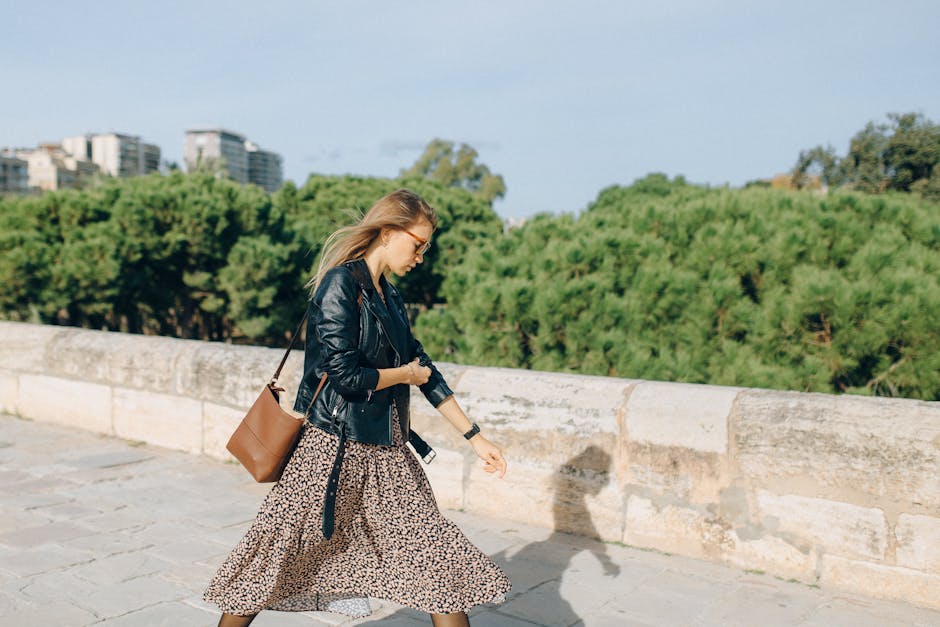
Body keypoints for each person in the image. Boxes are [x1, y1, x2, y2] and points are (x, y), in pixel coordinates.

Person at [203, 189, 512, 626]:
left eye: (426, 248)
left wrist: (476, 438)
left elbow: (425, 369)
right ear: (387, 233)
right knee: (275, 555)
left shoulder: (392, 297)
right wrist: (402, 375)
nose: (421, 256)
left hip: (388, 453)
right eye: (418, 244)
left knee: (435, 560)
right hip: (329, 448)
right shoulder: (340, 284)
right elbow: (346, 376)